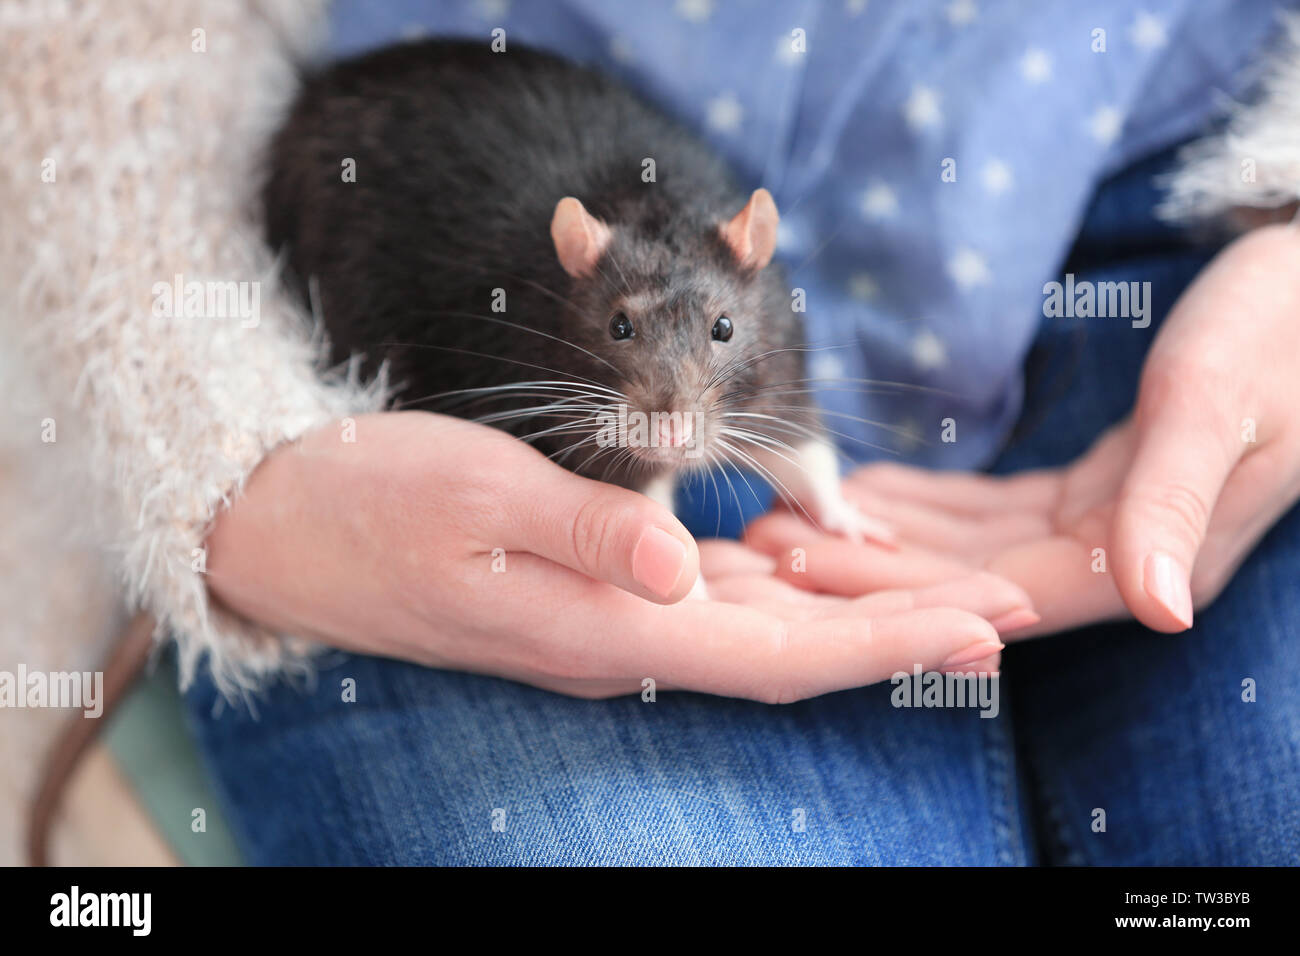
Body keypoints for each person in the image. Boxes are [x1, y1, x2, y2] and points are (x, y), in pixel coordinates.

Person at [8, 1, 1298, 864]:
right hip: (363, 247)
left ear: (755, 269)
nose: (674, 399)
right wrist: (234, 452)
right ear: (579, 289)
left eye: (713, 355)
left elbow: (779, 420)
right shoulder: (546, 337)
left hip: (1196, 210)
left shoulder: (760, 336)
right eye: (631, 348)